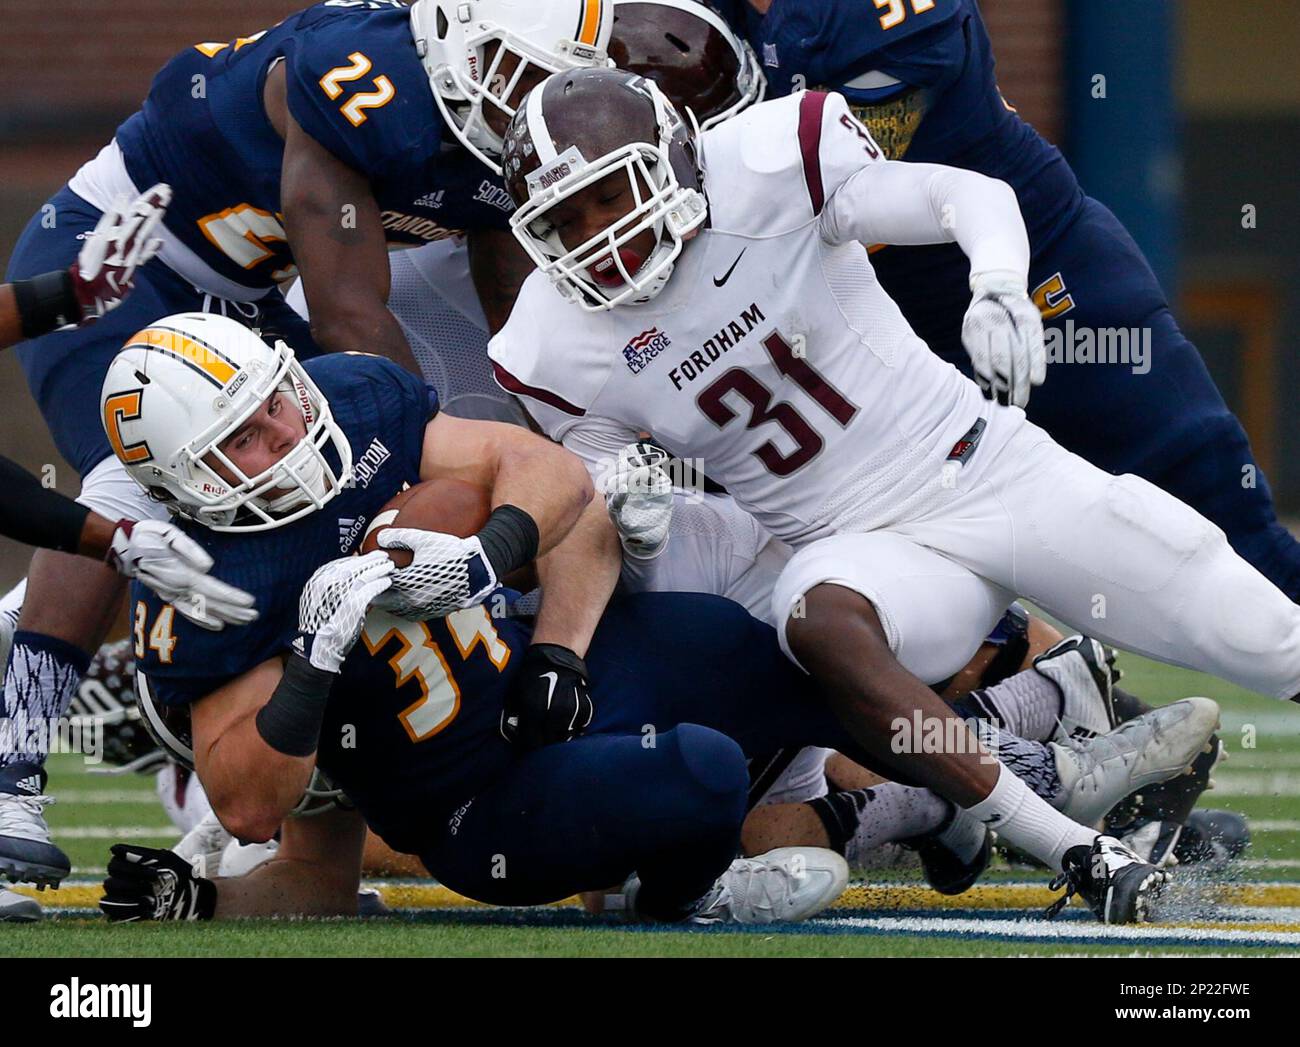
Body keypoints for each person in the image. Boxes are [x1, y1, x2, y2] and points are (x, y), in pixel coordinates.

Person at [487, 68, 1300, 921]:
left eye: (609, 197)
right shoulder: (553, 344)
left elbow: (966, 193)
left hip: (984, 468)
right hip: (857, 547)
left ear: (671, 160)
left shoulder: (768, 165)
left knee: (1257, 628)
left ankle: (1011, 750)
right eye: (563, 220)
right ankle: (1074, 848)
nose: (595, 236)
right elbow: (609, 516)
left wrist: (995, 284)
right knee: (819, 617)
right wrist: (637, 522)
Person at [0, 0, 615, 889]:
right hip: (121, 274)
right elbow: (352, 321)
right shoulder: (354, 82)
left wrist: (547, 440)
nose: (528, 103)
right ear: (450, 45)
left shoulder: (487, 117)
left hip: (247, 303)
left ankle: (80, 653)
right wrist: (413, 460)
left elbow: (508, 296)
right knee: (129, 488)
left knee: (306, 500)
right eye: (511, 73)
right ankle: (16, 769)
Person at [707, 0, 1300, 602]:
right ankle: (1051, 689)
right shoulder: (688, 21)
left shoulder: (868, 22)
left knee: (1227, 528)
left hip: (1036, 281)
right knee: (847, 573)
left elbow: (851, 160)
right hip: (859, 318)